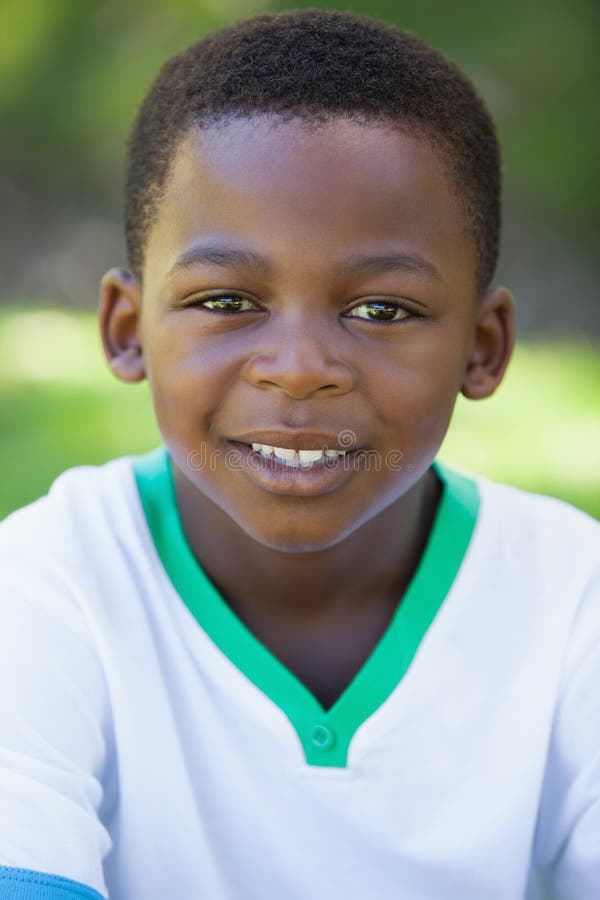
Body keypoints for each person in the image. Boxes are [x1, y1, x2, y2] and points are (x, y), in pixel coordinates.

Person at [0, 9, 598, 899]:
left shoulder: (572, 594)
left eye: (382, 311)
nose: (299, 370)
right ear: (128, 332)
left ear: (484, 348)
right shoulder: (50, 583)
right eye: (227, 299)